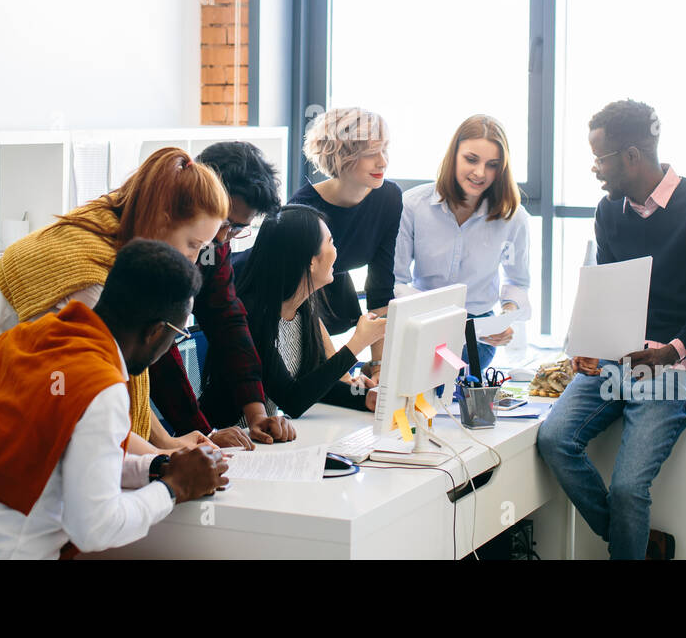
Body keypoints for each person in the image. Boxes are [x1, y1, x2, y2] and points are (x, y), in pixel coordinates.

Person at [0, 146, 241, 460]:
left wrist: (165, 444)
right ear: (162, 219)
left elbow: (120, 381)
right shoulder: (90, 282)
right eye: (193, 244)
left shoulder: (116, 224)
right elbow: (85, 410)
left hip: (9, 402)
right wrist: (164, 462)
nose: (194, 259)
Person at [0, 239, 229, 559]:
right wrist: (175, 488)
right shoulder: (100, 386)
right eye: (178, 334)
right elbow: (96, 528)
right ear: (156, 331)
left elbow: (72, 461)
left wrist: (158, 466)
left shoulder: (23, 338)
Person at [536, 100, 686, 560]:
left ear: (630, 156)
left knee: (628, 488)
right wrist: (588, 345)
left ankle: (629, 543)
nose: (594, 169)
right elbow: (608, 291)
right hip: (615, 361)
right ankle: (636, 544)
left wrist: (671, 350)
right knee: (553, 440)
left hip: (673, 368)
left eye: (599, 158)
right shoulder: (610, 211)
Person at [147, 141, 297, 446]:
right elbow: (156, 345)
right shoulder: (152, 234)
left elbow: (227, 318)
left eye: (236, 228)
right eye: (224, 221)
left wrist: (256, 413)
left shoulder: (215, 245)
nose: (221, 236)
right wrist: (205, 434)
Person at [205, 205, 387, 424]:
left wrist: (365, 398)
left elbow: (314, 386)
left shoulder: (302, 309)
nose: (336, 251)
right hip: (228, 441)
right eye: (330, 242)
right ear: (310, 260)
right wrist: (358, 343)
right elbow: (292, 400)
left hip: (263, 441)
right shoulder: (251, 316)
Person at [394, 115, 530, 373]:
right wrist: (435, 318)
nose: (480, 173)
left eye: (492, 165)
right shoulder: (412, 205)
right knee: (423, 381)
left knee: (452, 380)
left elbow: (517, 281)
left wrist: (506, 315)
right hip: (421, 322)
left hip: (476, 332)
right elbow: (397, 281)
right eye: (471, 159)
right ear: (453, 155)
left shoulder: (514, 218)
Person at [289, 107, 400, 380]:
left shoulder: (388, 198)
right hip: (290, 314)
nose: (383, 162)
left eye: (385, 150)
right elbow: (302, 303)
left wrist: (378, 367)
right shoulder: (303, 211)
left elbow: (380, 289)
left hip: (330, 306)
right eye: (371, 153)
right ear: (341, 156)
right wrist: (341, 375)